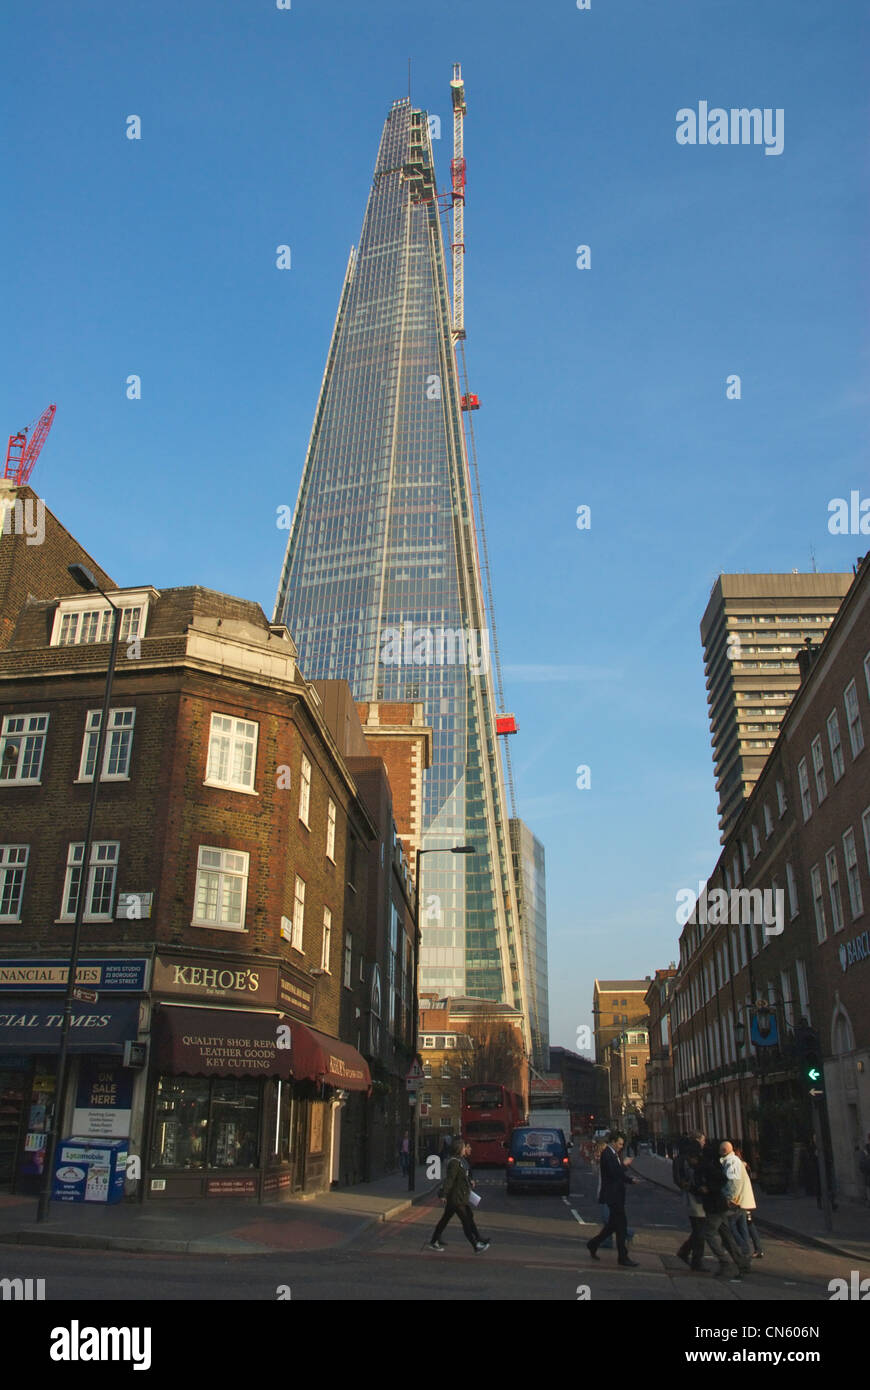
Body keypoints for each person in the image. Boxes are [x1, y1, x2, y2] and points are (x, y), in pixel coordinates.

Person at [696, 1140, 750, 1281]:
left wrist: (709, 1189)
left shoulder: (710, 1166)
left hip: (715, 1205)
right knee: (727, 1236)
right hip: (719, 1205)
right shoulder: (716, 1164)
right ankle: (742, 1262)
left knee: (709, 1233)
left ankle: (725, 1261)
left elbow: (725, 1181)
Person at [586, 1131, 639, 1268]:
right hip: (612, 1195)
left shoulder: (613, 1154)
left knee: (613, 1226)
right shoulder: (607, 1154)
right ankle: (623, 1257)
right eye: (620, 1143)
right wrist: (627, 1171)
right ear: (613, 1142)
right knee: (621, 1225)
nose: (621, 1146)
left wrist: (628, 1178)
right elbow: (614, 1172)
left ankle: (593, 1244)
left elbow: (616, 1172)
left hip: (616, 1194)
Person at [428, 1139, 489, 1253]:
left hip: (460, 1196)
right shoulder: (454, 1162)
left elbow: (461, 1177)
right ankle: (476, 1245)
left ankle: (434, 1241)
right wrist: (443, 1194)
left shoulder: (459, 1161)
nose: (465, 1149)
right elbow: (449, 1180)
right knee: (466, 1221)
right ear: (459, 1149)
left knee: (446, 1220)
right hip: (456, 1198)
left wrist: (469, 1181)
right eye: (463, 1147)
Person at [674, 1137, 706, 1271]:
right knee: (700, 1232)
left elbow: (678, 1179)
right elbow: (689, 1180)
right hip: (695, 1199)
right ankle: (696, 1261)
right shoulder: (689, 1162)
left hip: (691, 1198)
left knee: (699, 1230)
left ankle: (685, 1251)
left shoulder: (681, 1160)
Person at [734, 1147, 764, 1257]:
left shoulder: (738, 1166)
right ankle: (757, 1248)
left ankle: (753, 1248)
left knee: (745, 1224)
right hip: (745, 1199)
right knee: (748, 1223)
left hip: (742, 1200)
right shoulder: (744, 1166)